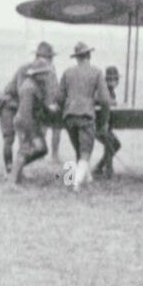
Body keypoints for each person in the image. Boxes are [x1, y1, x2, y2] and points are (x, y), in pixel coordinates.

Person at [55, 42, 112, 191]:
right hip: (86, 116)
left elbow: (59, 98)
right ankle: (76, 183)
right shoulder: (97, 72)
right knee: (86, 152)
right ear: (89, 55)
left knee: (79, 150)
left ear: (77, 58)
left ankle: (87, 178)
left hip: (69, 117)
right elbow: (106, 100)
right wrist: (104, 120)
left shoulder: (67, 72)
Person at [0, 42, 58, 174]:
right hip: (10, 106)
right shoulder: (25, 69)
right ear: (38, 57)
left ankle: (16, 171)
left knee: (24, 141)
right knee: (9, 139)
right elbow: (22, 92)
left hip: (22, 108)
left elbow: (51, 92)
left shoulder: (48, 71)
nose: (50, 61)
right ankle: (9, 170)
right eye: (48, 57)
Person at [9, 60, 57, 184]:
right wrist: (31, 134)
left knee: (42, 149)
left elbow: (38, 104)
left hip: (31, 121)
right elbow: (26, 112)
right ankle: (12, 181)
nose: (47, 76)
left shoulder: (35, 85)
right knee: (26, 150)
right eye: (44, 74)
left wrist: (48, 108)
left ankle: (17, 171)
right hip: (25, 122)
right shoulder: (28, 87)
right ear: (38, 74)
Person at [94, 65, 122, 178]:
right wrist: (110, 102)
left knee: (115, 144)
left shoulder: (111, 91)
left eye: (115, 79)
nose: (113, 81)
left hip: (104, 125)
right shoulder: (102, 90)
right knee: (110, 143)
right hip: (98, 125)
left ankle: (99, 166)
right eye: (110, 79)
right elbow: (98, 100)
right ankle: (109, 171)